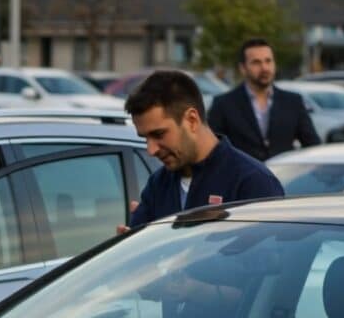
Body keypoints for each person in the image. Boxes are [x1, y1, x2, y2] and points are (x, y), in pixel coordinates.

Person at [125, 68, 284, 228]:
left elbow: (270, 250)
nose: (151, 150)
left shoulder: (252, 182)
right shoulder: (158, 184)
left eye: (159, 134)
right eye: (145, 138)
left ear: (192, 120)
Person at [207, 38, 320, 160]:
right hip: (240, 178)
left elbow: (313, 147)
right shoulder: (223, 104)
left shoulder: (293, 102)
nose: (265, 68)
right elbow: (212, 152)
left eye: (268, 61)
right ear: (243, 68)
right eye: (256, 62)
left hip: (283, 177)